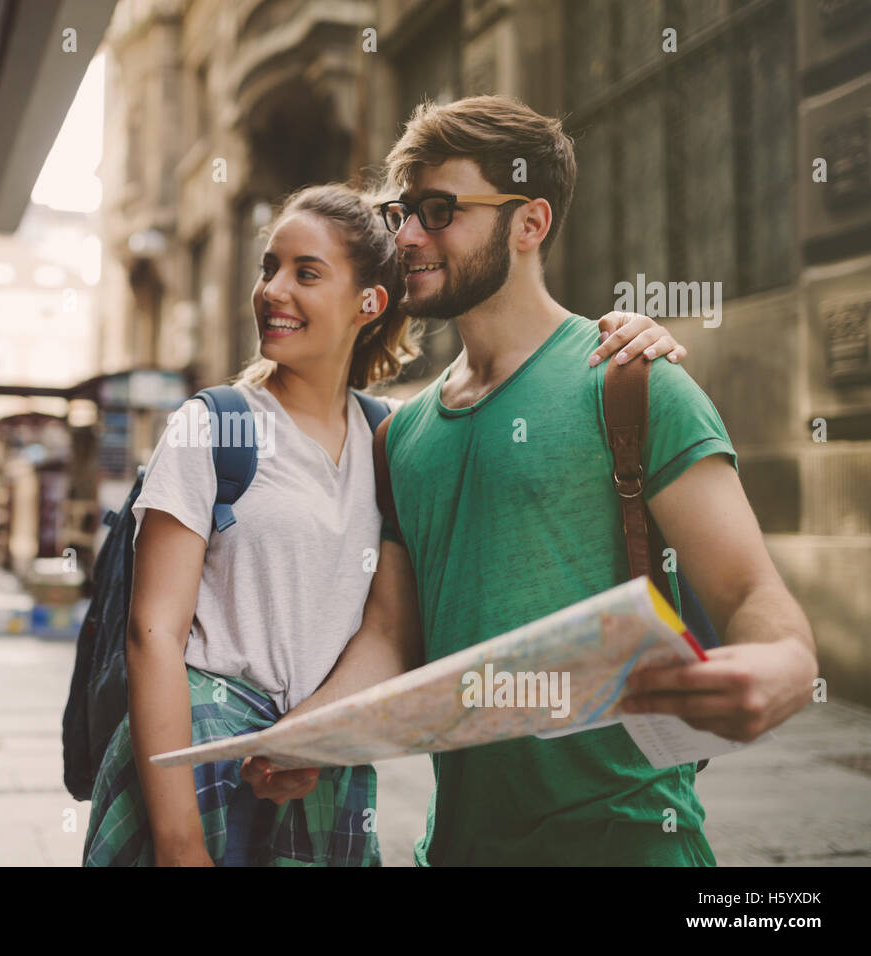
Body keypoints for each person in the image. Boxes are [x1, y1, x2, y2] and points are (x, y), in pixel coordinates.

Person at [246, 95, 818, 867]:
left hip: (629, 846)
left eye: (440, 210)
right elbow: (392, 633)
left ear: (529, 223)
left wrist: (776, 673)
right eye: (401, 212)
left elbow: (757, 601)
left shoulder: (631, 384)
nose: (409, 237)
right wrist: (308, 733)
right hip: (454, 851)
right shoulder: (401, 437)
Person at [82, 183, 686, 867]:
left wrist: (636, 333)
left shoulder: (393, 440)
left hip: (321, 769)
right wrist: (179, 842)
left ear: (368, 304)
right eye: (268, 268)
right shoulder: (211, 426)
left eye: (306, 273)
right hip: (193, 769)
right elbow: (151, 633)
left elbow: (392, 628)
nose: (273, 290)